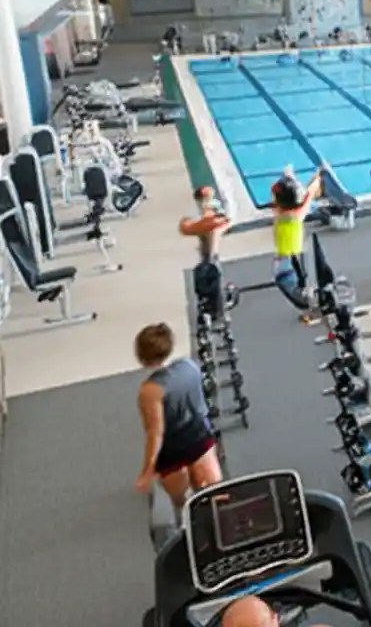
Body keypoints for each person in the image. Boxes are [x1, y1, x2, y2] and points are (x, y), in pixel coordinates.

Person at [133, 323, 222, 510]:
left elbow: (155, 432)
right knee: (215, 494)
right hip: (198, 435)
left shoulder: (150, 390)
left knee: (183, 504)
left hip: (172, 449)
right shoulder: (190, 366)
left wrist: (147, 470)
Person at [271, 168, 323, 323]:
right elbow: (308, 196)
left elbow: (292, 196)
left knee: (302, 295)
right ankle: (312, 313)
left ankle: (308, 312)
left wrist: (288, 177)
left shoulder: (279, 213)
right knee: (305, 295)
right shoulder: (295, 216)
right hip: (291, 266)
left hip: (281, 264)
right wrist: (316, 180)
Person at [181, 186, 232, 320]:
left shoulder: (213, 215)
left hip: (210, 252)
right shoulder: (204, 216)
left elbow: (224, 221)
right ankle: (210, 304)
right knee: (206, 275)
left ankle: (218, 309)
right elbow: (186, 227)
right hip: (207, 252)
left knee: (213, 273)